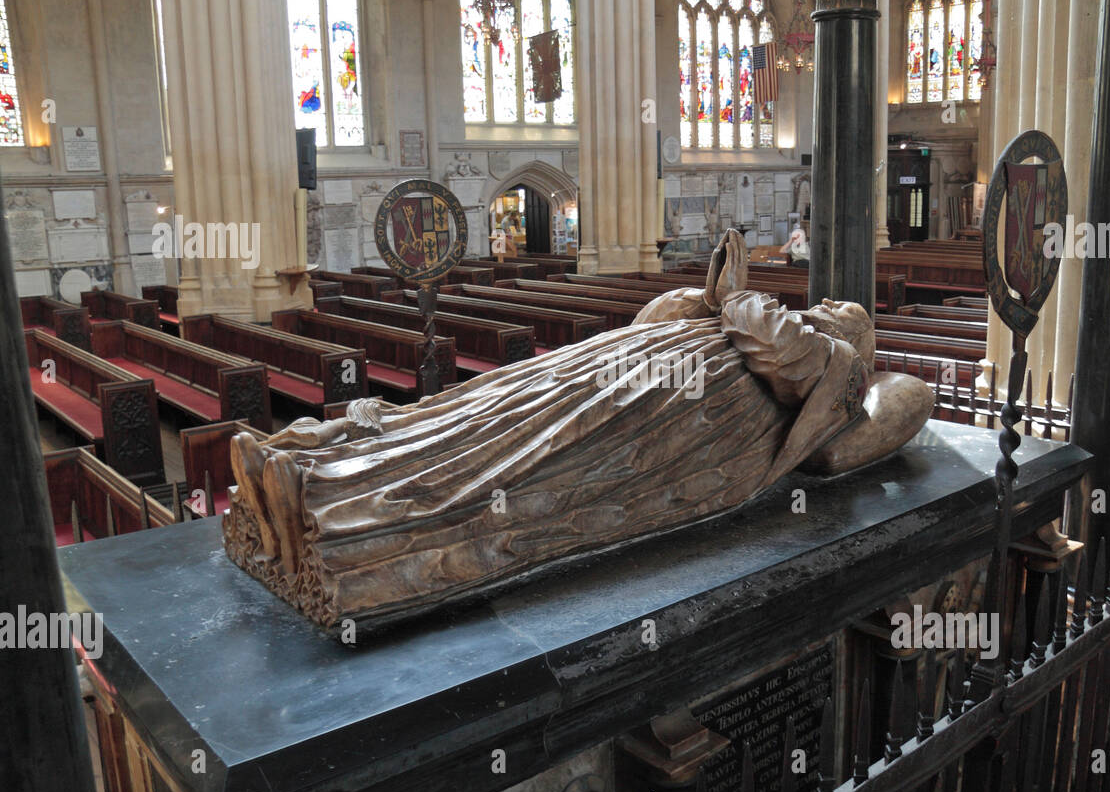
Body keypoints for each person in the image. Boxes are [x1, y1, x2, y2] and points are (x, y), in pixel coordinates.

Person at [225, 230, 934, 626]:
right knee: (482, 413)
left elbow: (772, 347)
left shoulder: (833, 364)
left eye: (843, 308)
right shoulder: (751, 319)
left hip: (666, 412)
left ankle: (342, 527)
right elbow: (652, 320)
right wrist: (705, 294)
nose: (831, 303)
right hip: (618, 369)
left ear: (856, 339)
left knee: (519, 465)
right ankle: (331, 464)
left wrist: (737, 294)